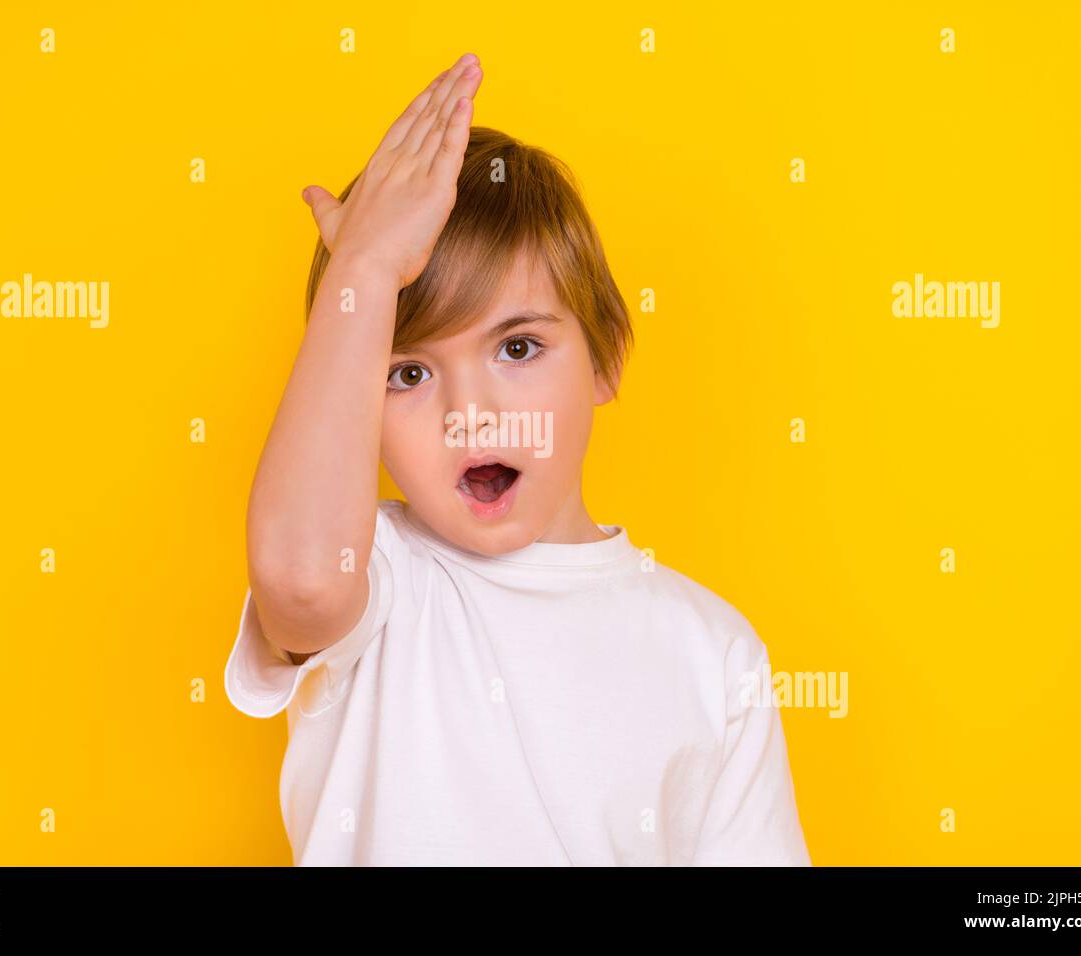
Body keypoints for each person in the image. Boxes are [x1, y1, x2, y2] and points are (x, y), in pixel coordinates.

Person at [224, 52, 811, 866]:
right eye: (409, 372)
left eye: (520, 347)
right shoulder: (378, 576)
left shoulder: (711, 654)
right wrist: (362, 272)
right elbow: (300, 580)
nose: (471, 415)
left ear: (604, 360)